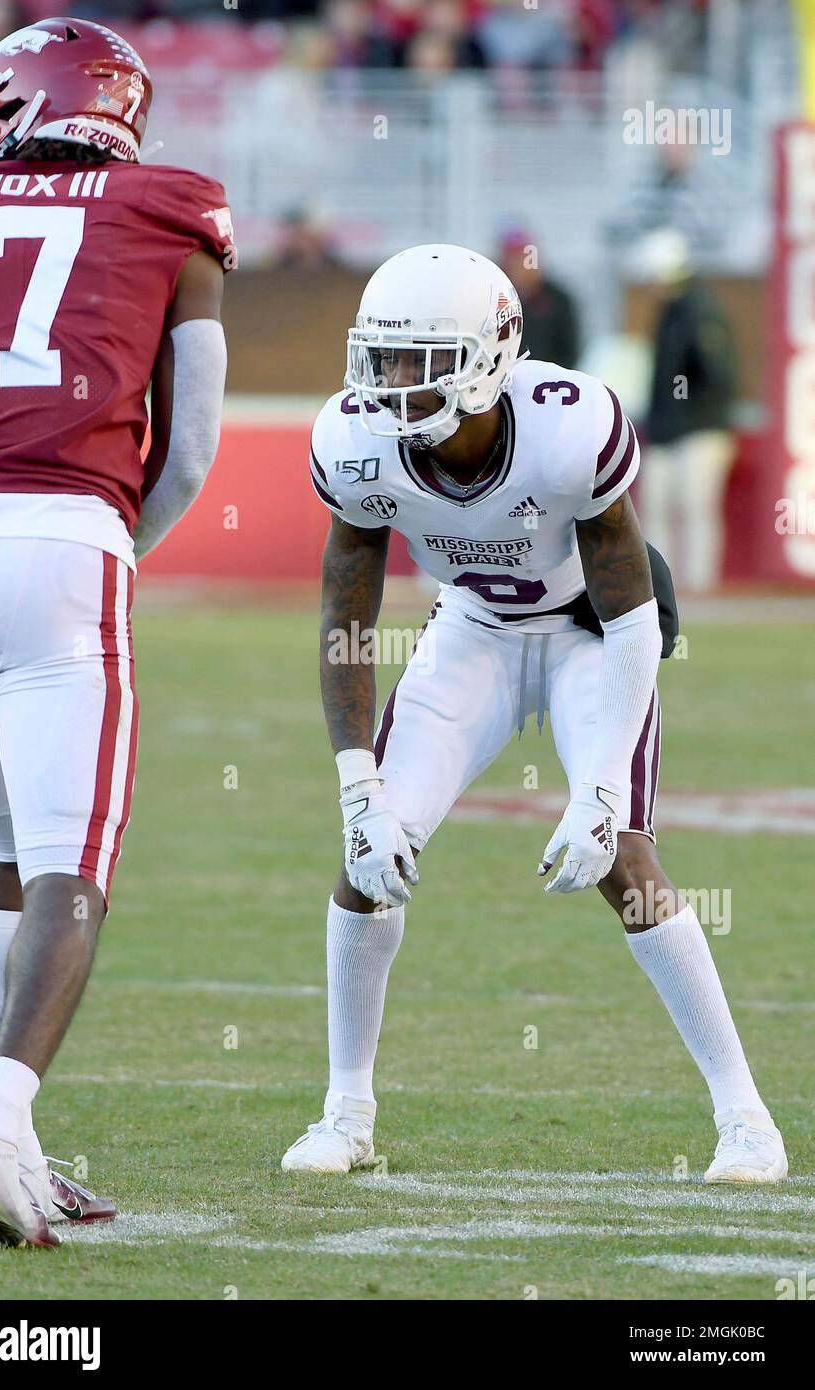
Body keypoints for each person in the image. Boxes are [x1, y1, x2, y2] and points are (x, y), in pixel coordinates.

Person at [281, 242, 785, 1185]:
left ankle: (746, 1121)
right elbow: (346, 612)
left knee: (624, 856)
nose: (393, 383)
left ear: (487, 359)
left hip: (589, 632)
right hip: (472, 625)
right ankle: (345, 1115)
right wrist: (357, 788)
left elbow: (633, 614)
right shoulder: (355, 442)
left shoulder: (566, 427)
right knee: (368, 856)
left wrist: (598, 791)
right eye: (383, 359)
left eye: (420, 359)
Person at [0, 17, 233, 1247]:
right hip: (66, 543)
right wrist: (116, 541)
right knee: (73, 869)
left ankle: (2, 1129)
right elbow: (194, 446)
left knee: (6, 847)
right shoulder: (170, 211)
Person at [637, 229, 736, 593]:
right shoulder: (673, 312)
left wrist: (683, 414)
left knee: (695, 510)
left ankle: (699, 587)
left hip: (698, 431)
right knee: (659, 510)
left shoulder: (699, 311)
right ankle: (663, 587)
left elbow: (718, 376)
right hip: (669, 431)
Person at [498, 228, 580, 368]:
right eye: (512, 258)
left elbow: (569, 350)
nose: (517, 264)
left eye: (521, 257)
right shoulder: (493, 297)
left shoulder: (557, 300)